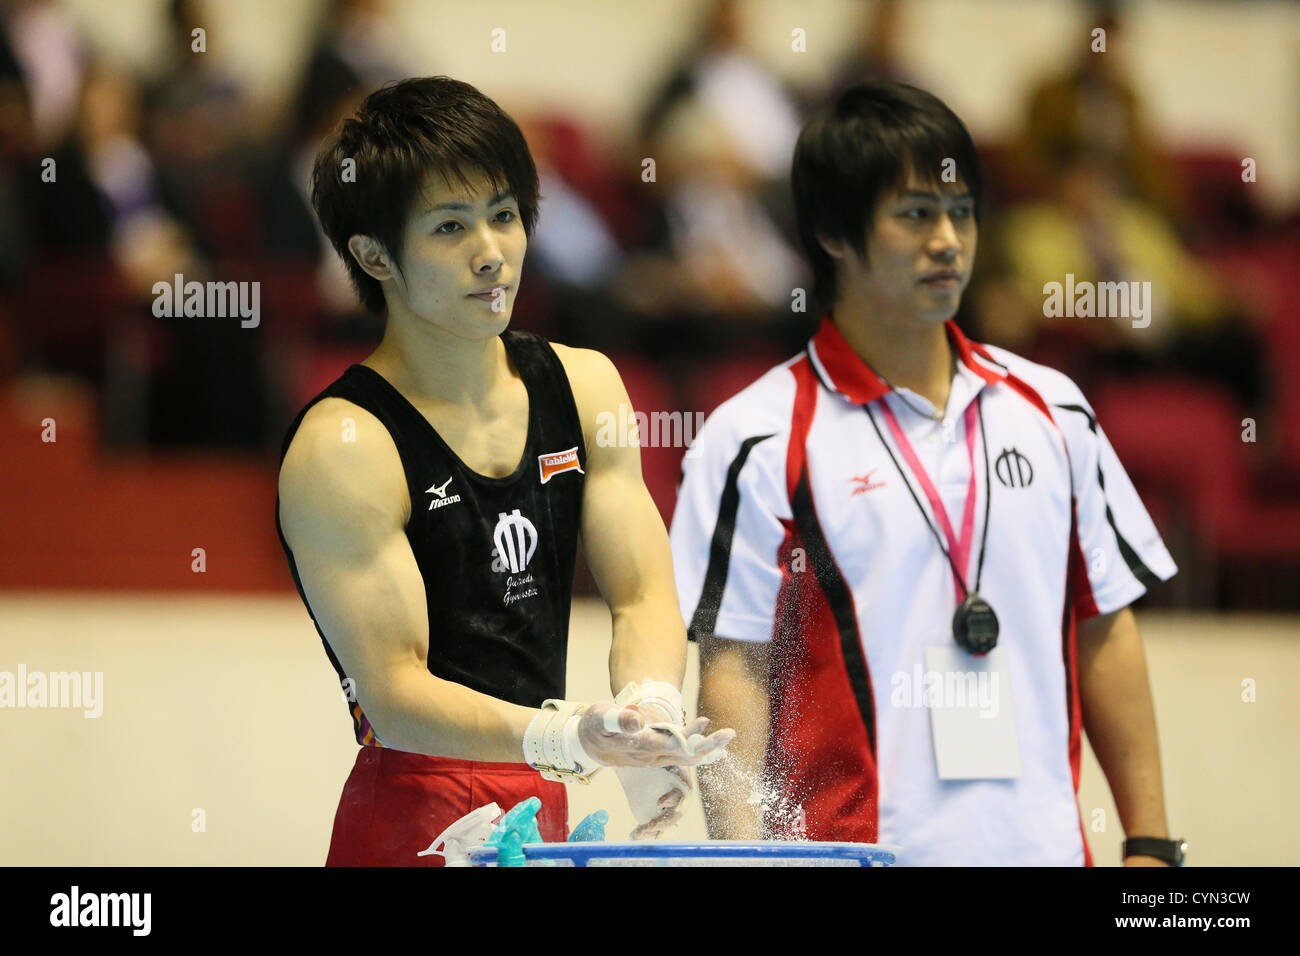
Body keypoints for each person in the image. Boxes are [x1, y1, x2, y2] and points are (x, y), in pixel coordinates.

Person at [671, 80, 1185, 867]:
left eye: (963, 211)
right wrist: (748, 861)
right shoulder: (755, 437)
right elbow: (735, 671)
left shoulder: (1055, 412)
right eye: (915, 214)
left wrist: (1150, 843)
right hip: (858, 855)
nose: (948, 239)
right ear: (835, 234)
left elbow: (1105, 625)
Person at [274, 76, 732, 866]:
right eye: (450, 227)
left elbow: (643, 591)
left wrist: (648, 713)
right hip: (413, 815)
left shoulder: (586, 387)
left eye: (505, 216)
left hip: (539, 801)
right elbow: (395, 694)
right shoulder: (344, 446)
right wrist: (567, 735)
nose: (491, 253)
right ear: (373, 254)